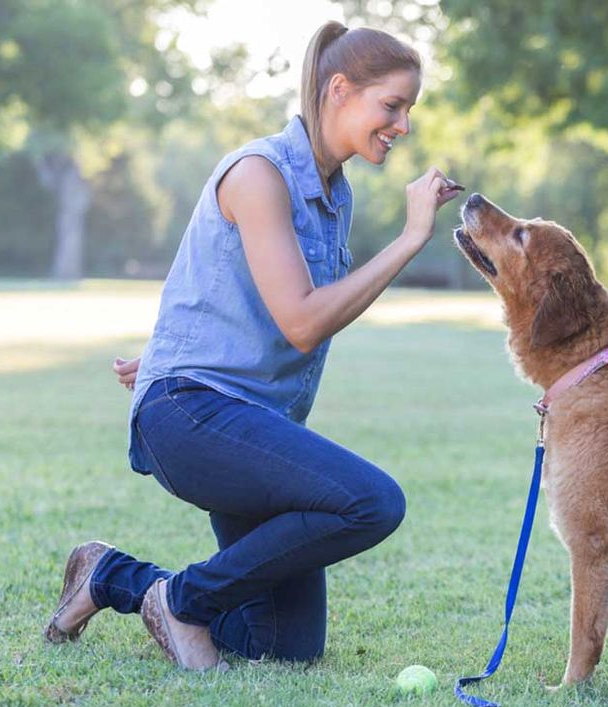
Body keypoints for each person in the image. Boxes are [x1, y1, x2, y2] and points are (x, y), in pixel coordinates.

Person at [42, 21, 462, 670]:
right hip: (192, 415)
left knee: (280, 648)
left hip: (242, 418)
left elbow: (232, 289)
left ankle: (111, 577)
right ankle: (181, 602)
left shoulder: (333, 197)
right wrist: (409, 239)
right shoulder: (259, 173)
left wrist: (168, 350)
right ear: (340, 90)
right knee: (373, 502)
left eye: (407, 110)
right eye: (393, 105)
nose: (402, 125)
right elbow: (300, 320)